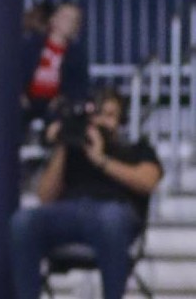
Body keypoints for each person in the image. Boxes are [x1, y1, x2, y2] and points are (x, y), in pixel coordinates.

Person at [10, 89, 163, 299]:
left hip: (113, 212)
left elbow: (148, 181)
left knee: (111, 218)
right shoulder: (74, 151)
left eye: (110, 115)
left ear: (121, 121)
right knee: (23, 221)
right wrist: (64, 143)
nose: (103, 121)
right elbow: (44, 197)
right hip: (68, 212)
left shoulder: (135, 149)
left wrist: (101, 160)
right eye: (98, 114)